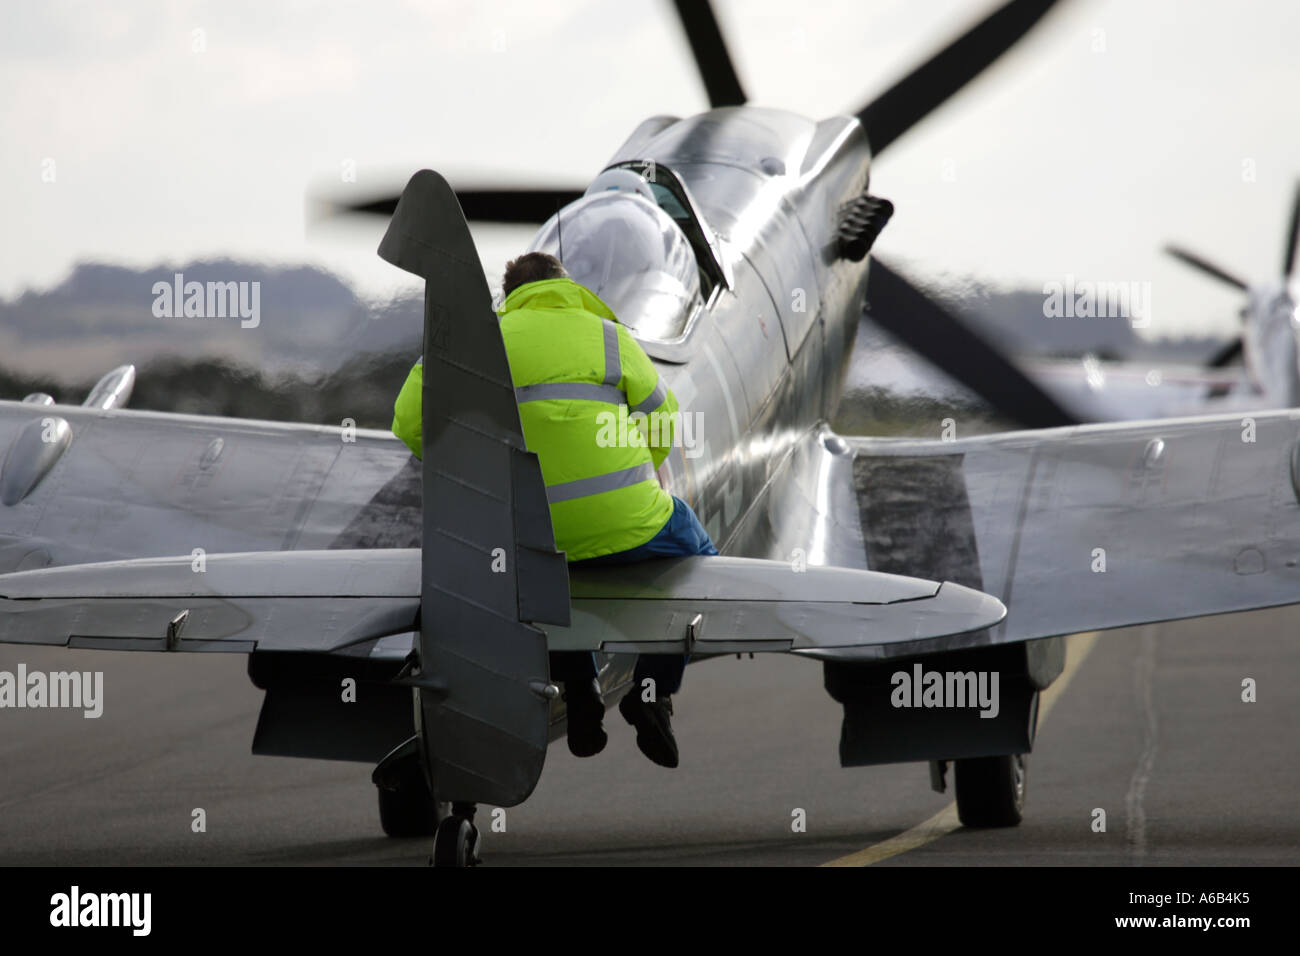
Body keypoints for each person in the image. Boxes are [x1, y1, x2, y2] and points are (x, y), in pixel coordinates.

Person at [391, 252, 717, 768]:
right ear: (565, 286)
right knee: (700, 560)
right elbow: (662, 421)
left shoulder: (478, 340)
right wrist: (632, 484)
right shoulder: (607, 335)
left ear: (510, 294)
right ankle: (651, 692)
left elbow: (408, 419)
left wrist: (467, 469)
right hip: (623, 524)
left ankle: (578, 685)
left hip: (521, 533)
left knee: (547, 575)